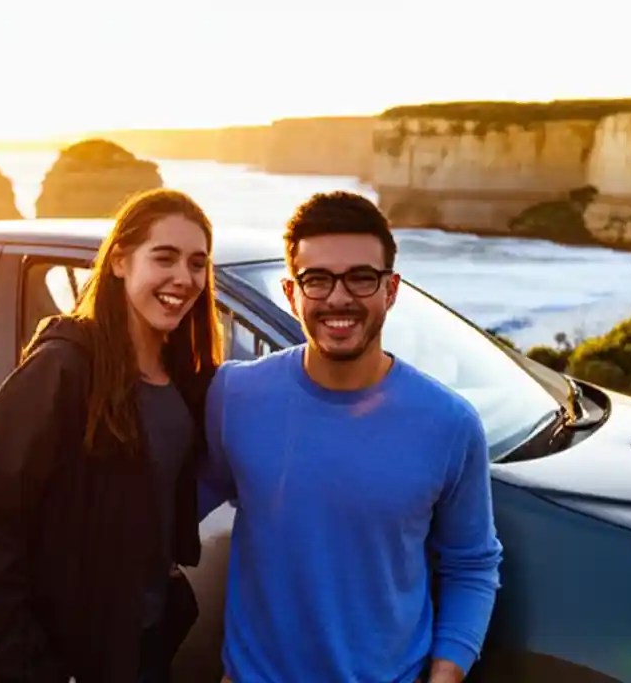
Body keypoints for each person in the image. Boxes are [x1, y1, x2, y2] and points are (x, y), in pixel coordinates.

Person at [200, 191, 503, 683]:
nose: (339, 298)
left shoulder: (450, 425)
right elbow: (165, 514)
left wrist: (446, 675)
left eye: (361, 277)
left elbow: (472, 565)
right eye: (316, 279)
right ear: (291, 292)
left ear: (391, 289)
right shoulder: (234, 396)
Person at [0, 188, 224, 683]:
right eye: (165, 257)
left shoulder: (184, 376)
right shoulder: (65, 368)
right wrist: (20, 670)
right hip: (71, 657)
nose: (185, 277)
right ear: (119, 261)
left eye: (197, 263)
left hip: (146, 642)